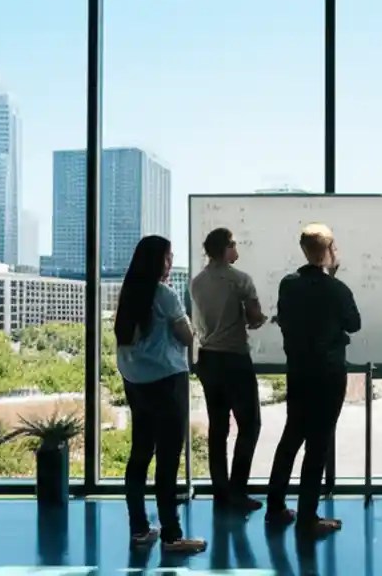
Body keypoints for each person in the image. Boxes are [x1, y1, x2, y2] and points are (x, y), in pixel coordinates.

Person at [265, 223, 361, 537]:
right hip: (329, 374)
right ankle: (308, 517)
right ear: (329, 251)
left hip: (299, 372)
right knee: (318, 445)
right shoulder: (338, 289)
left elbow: (289, 315)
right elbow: (354, 323)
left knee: (291, 437)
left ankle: (275, 506)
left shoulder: (288, 284)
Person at [114, 234, 206, 554]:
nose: (170, 263)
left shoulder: (128, 294)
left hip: (135, 381)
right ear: (157, 261)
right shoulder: (164, 294)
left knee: (140, 454)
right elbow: (185, 335)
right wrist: (189, 327)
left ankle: (139, 528)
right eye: (168, 257)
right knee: (168, 459)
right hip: (166, 380)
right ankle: (172, 535)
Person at [190, 227, 267, 511]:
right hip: (234, 359)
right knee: (250, 425)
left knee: (218, 427)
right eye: (234, 245)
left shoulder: (197, 282)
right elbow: (254, 318)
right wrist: (261, 318)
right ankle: (237, 491)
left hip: (208, 360)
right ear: (225, 248)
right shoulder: (240, 280)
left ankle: (221, 493)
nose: (238, 250)